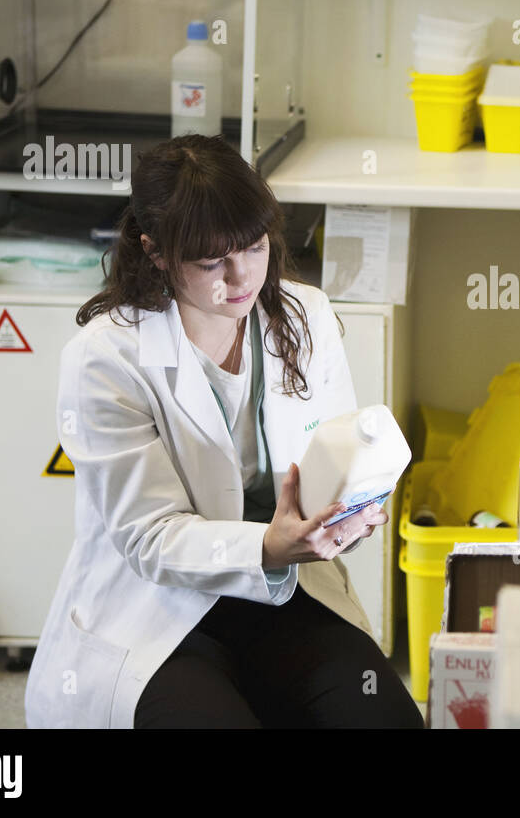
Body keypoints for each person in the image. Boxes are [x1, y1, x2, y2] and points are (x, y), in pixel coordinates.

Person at [24, 134, 423, 728]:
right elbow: (152, 538)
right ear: (155, 251)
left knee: (384, 718)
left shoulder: (304, 315)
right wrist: (267, 545)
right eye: (211, 262)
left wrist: (346, 516)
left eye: (254, 248)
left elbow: (331, 456)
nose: (240, 278)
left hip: (287, 592)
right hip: (161, 608)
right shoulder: (106, 358)